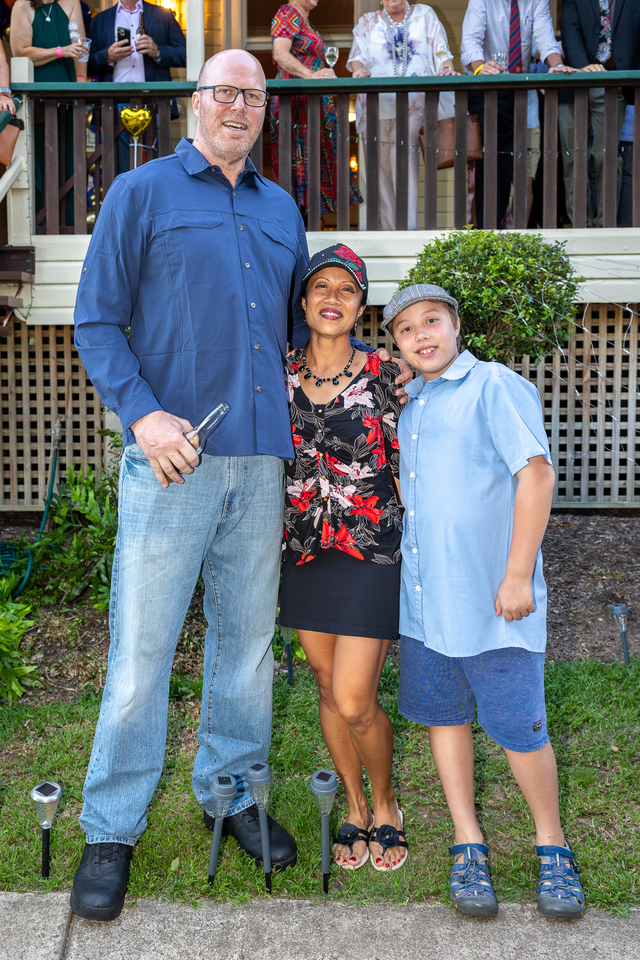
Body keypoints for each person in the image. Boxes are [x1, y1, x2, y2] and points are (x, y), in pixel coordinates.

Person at [383, 283, 586, 920]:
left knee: (519, 729)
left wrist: (519, 574)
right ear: (397, 345)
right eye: (406, 329)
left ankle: (551, 843)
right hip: (425, 603)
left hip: (496, 605)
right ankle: (467, 840)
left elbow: (536, 473)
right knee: (445, 717)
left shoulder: (493, 385)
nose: (422, 335)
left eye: (433, 321)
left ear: (456, 325)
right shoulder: (409, 403)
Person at [280, 244, 407, 872]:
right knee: (329, 689)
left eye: (347, 290)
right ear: (303, 303)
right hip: (302, 550)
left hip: (371, 550)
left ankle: (388, 802)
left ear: (360, 307)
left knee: (356, 698)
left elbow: (417, 456)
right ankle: (356, 807)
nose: (332, 297)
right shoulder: (274, 371)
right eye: (320, 287)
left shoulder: (387, 373)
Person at [461, 0, 572, 228]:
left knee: (513, 163)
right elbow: (471, 40)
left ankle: (507, 230)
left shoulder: (536, 1)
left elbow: (545, 38)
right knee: (489, 163)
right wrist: (481, 68)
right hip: (486, 88)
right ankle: (486, 230)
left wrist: (557, 64)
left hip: (517, 89)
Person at [347, 0, 457, 231]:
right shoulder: (367, 21)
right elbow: (356, 57)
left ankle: (408, 229)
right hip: (376, 103)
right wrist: (359, 70)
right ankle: (388, 232)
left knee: (402, 154)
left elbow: (440, 49)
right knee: (380, 172)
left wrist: (446, 66)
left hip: (413, 101)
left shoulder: (425, 14)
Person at [270, 0, 361, 223]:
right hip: (295, 105)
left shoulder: (305, 21)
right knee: (298, 166)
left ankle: (310, 223)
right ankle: (297, 225)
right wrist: (310, 75)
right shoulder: (287, 13)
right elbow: (280, 53)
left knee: (313, 166)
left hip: (310, 105)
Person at [559, 0, 640, 228]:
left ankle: (605, 224)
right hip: (576, 78)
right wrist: (583, 68)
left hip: (613, 82)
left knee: (607, 155)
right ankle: (579, 224)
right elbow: (570, 29)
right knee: (574, 157)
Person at [11, 0, 87, 224]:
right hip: (37, 100)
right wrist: (61, 51)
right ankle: (41, 221)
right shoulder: (22, 6)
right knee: (40, 161)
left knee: (69, 159)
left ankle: (71, 222)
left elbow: (80, 48)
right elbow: (20, 51)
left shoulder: (71, 3)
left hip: (68, 96)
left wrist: (81, 83)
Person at [88, 0, 186, 173]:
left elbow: (186, 54)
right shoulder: (100, 19)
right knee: (121, 166)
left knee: (160, 163)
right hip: (114, 103)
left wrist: (158, 51)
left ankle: (160, 200)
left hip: (156, 102)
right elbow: (87, 65)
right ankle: (126, 200)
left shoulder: (164, 14)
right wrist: (107, 56)